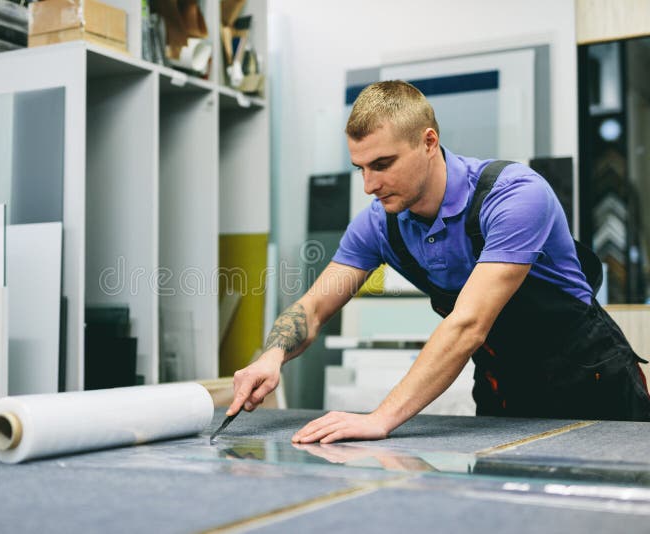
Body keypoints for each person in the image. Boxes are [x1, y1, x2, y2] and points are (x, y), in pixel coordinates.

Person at [227, 80, 650, 444]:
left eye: (382, 164)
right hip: (503, 388)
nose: (369, 185)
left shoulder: (514, 196)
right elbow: (315, 307)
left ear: (429, 142)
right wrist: (271, 356)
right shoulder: (378, 225)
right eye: (361, 168)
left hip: (590, 383)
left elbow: (468, 324)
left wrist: (380, 418)